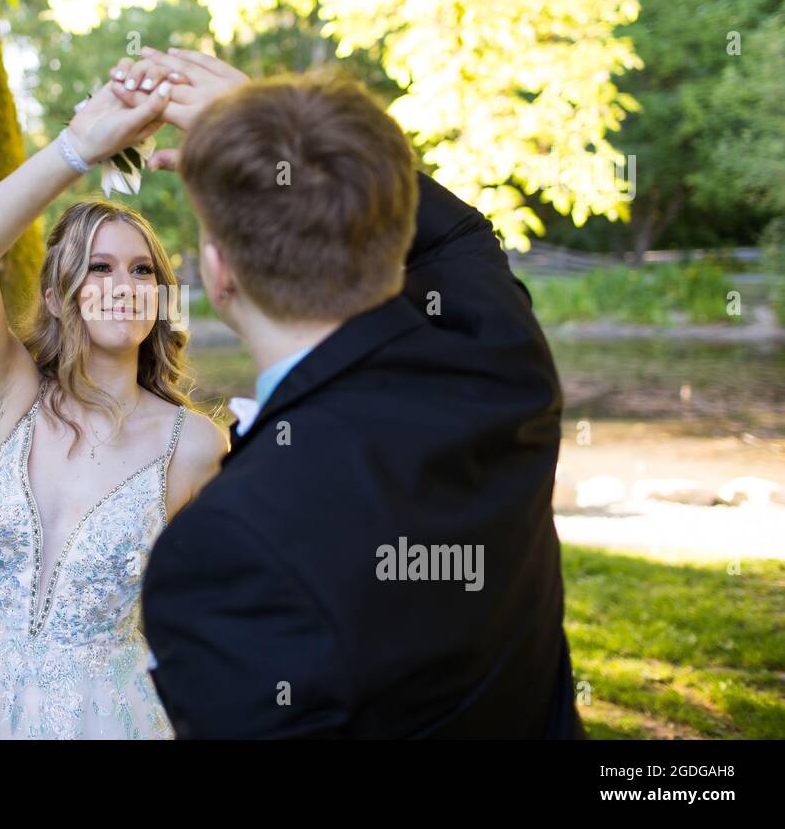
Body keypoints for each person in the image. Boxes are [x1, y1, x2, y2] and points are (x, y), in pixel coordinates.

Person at [114, 47, 585, 738]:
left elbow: (454, 244)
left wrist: (270, 141)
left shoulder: (219, 551)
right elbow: (458, 243)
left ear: (218, 275)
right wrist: (293, 143)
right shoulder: (501, 368)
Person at [0, 79, 228, 739]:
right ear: (59, 298)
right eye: (98, 267)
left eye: (143, 271)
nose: (123, 286)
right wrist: (76, 149)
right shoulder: (10, 397)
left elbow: (225, 609)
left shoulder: (196, 445)